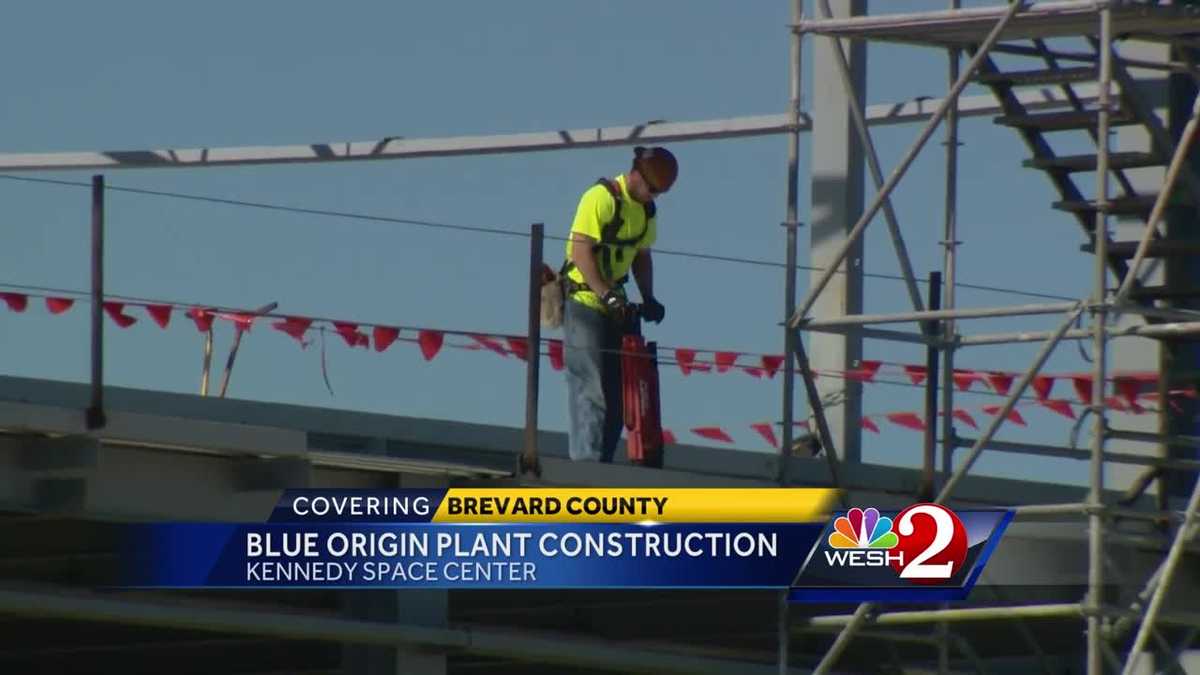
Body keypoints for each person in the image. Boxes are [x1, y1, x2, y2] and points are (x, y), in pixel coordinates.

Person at [560, 145, 677, 462]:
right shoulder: (600, 198)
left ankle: (604, 464)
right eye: (652, 189)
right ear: (636, 174)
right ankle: (586, 466)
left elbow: (641, 257)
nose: (654, 196)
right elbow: (581, 251)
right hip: (584, 301)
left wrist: (648, 297)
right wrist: (604, 292)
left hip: (615, 306)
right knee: (591, 386)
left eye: (660, 193)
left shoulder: (646, 211)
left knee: (617, 396)